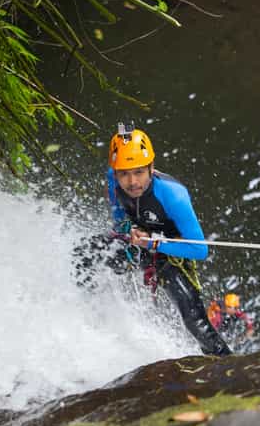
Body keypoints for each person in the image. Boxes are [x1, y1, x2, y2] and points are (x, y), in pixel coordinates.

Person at [86, 122, 231, 356]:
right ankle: (88, 317)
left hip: (170, 253)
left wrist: (154, 243)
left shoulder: (174, 196)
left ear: (151, 168)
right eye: (124, 173)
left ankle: (227, 367)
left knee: (196, 323)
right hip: (137, 242)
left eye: (139, 172)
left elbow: (199, 250)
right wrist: (128, 230)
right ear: (115, 172)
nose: (132, 182)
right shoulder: (113, 179)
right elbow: (119, 213)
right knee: (86, 254)